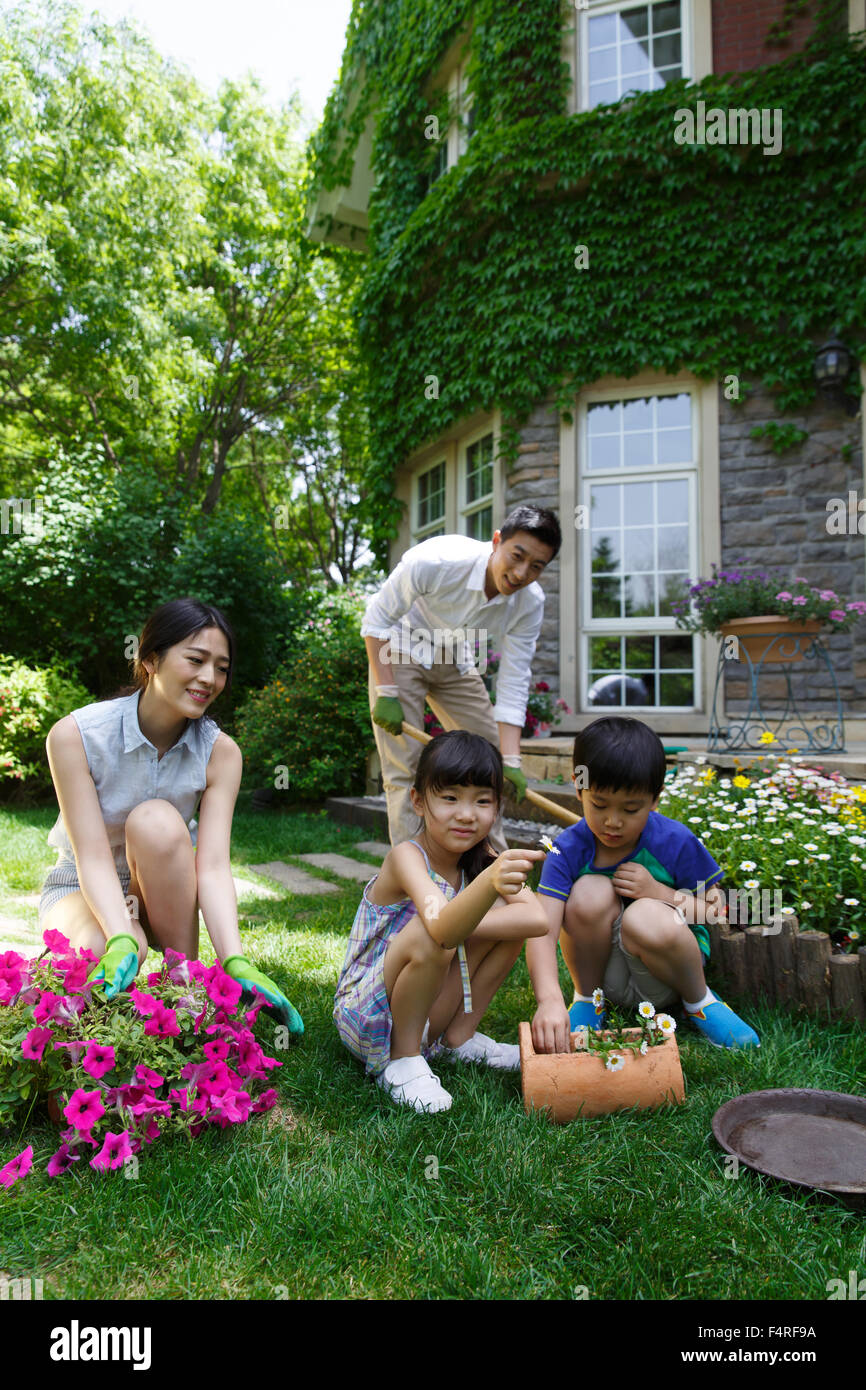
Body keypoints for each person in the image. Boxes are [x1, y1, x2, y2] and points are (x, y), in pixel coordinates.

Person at [40, 597, 303, 1032]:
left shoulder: (221, 754)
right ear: (150, 658)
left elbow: (214, 866)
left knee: (157, 819)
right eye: (196, 660)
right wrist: (122, 934)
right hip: (81, 887)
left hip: (166, 884)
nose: (209, 678)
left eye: (221, 667)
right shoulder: (76, 736)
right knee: (104, 957)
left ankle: (184, 985)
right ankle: (124, 949)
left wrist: (234, 958)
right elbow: (90, 856)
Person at [334, 730, 548, 1112]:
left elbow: (536, 918)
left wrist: (473, 917)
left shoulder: (483, 855)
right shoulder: (406, 857)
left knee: (504, 926)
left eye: (482, 801)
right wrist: (477, 905)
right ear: (417, 801)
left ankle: (457, 1041)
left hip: (422, 1002)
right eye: (449, 798)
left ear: (496, 808)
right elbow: (440, 927)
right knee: (433, 932)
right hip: (367, 1014)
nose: (466, 814)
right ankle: (403, 1061)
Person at [527, 716, 759, 1053]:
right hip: (605, 975)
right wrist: (548, 1000)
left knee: (643, 916)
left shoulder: (676, 841)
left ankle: (700, 1002)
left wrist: (659, 893)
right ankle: (587, 1001)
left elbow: (713, 914)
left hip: (667, 976)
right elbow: (542, 929)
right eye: (600, 804)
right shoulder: (564, 847)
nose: (613, 821)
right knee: (588, 893)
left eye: (631, 808)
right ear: (579, 789)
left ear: (654, 799)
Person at [362, 505, 562, 851]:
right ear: (497, 540)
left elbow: (514, 681)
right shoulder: (436, 561)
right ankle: (414, 878)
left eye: (536, 566)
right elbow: (376, 620)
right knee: (403, 769)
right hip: (399, 647)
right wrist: (387, 691)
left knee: (491, 760)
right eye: (517, 555)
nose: (521, 572)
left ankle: (492, 872)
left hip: (454, 656)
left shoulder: (529, 603)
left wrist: (511, 762)